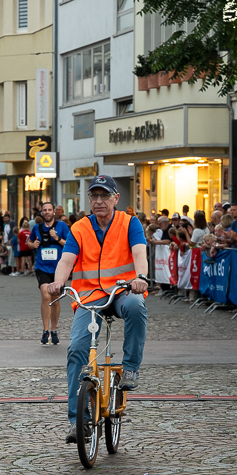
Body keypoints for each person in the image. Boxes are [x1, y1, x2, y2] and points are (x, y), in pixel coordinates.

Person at [45, 176, 149, 445]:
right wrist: (58, 282)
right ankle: (76, 422)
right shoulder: (79, 228)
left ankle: (131, 368)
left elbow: (139, 253)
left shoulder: (130, 223)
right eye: (94, 197)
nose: (99, 201)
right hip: (89, 296)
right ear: (89, 200)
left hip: (123, 291)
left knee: (137, 307)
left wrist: (141, 277)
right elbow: (67, 259)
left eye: (104, 196)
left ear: (116, 198)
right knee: (77, 349)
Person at [28, 201, 71, 345]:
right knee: (46, 295)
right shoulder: (37, 227)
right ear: (41, 212)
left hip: (59, 268)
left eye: (49, 210)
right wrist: (32, 245)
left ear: (54, 212)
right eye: (44, 210)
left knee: (55, 298)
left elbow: (71, 244)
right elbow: (29, 241)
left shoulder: (62, 226)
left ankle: (54, 329)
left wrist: (57, 238)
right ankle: (45, 330)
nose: (47, 212)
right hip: (42, 267)